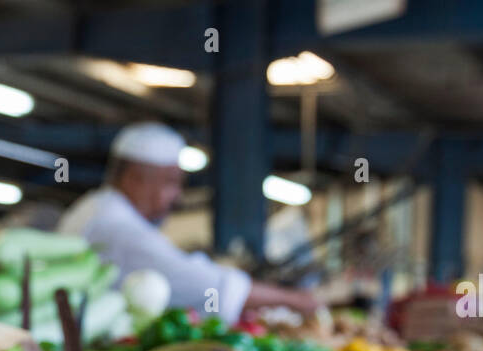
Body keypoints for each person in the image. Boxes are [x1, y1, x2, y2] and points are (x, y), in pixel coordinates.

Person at [57, 122, 317, 323]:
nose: (178, 196)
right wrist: (296, 300)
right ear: (134, 178)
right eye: (171, 183)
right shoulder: (115, 226)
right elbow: (204, 285)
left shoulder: (95, 207)